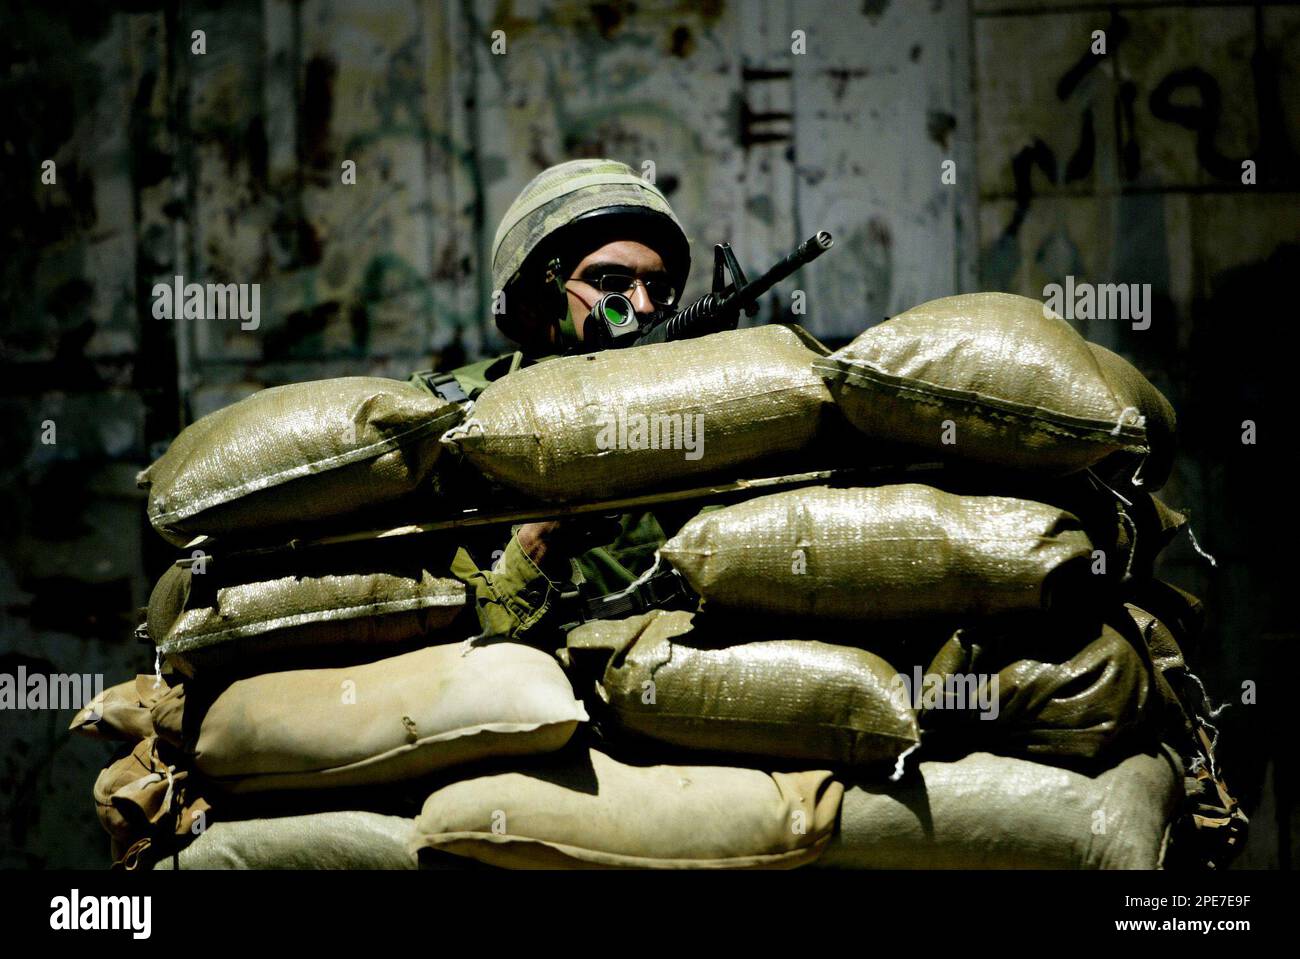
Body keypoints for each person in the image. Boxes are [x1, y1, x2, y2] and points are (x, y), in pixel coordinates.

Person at [408, 158, 696, 642]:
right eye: (612, 283)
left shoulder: (708, 406)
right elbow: (448, 628)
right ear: (543, 292)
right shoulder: (454, 415)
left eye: (658, 288)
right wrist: (544, 538)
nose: (643, 306)